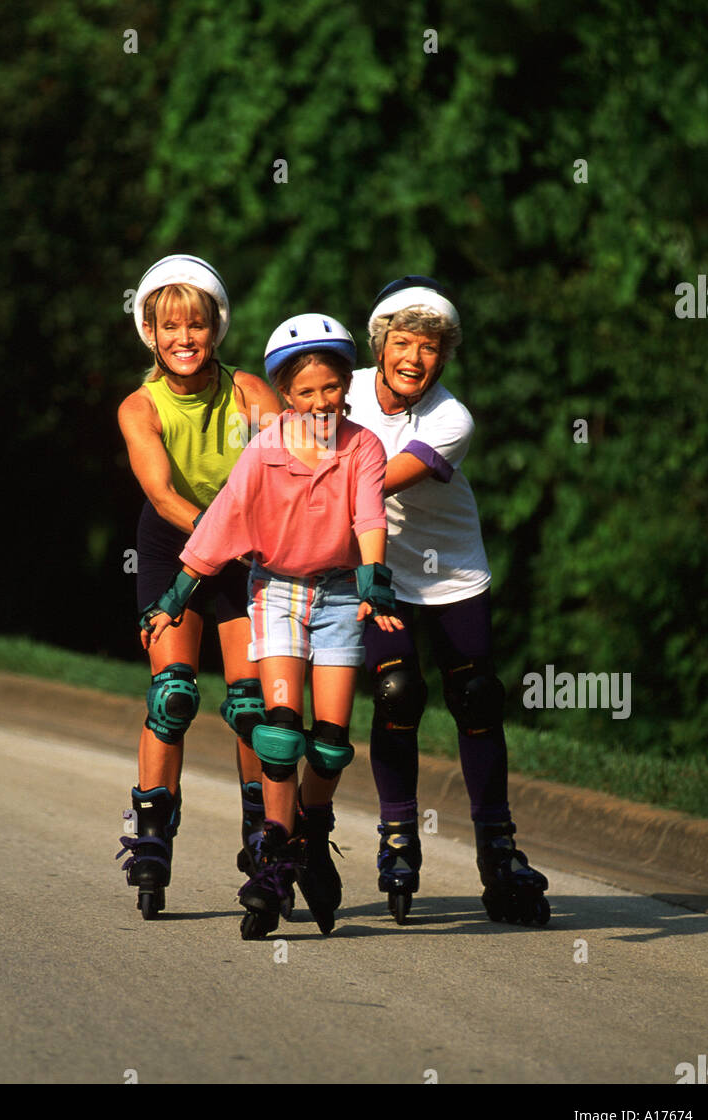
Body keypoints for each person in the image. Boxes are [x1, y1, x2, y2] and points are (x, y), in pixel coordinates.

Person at [141, 314, 403, 938]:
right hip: (278, 591)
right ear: (286, 394)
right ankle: (275, 855)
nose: (321, 402)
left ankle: (313, 827)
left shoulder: (362, 445)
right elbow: (222, 522)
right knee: (281, 734)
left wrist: (374, 578)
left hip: (341, 596)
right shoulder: (265, 448)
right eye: (306, 392)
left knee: (333, 743)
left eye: (333, 388)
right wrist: (177, 595)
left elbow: (369, 513)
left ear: (347, 386)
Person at [345, 276, 551, 926]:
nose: (414, 358)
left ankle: (498, 848)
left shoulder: (451, 418)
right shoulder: (340, 391)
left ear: (446, 355)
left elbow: (377, 480)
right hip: (380, 571)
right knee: (399, 690)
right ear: (381, 342)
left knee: (478, 700)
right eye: (403, 341)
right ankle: (399, 835)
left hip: (452, 570)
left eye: (430, 347)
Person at [115, 254, 282, 919]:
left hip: (247, 553)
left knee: (251, 704)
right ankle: (152, 834)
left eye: (197, 325)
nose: (184, 339)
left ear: (217, 328)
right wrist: (228, 538)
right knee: (173, 693)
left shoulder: (249, 394)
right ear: (149, 333)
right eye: (170, 327)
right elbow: (161, 493)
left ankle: (262, 836)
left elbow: (286, 465)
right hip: (173, 547)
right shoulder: (140, 405)